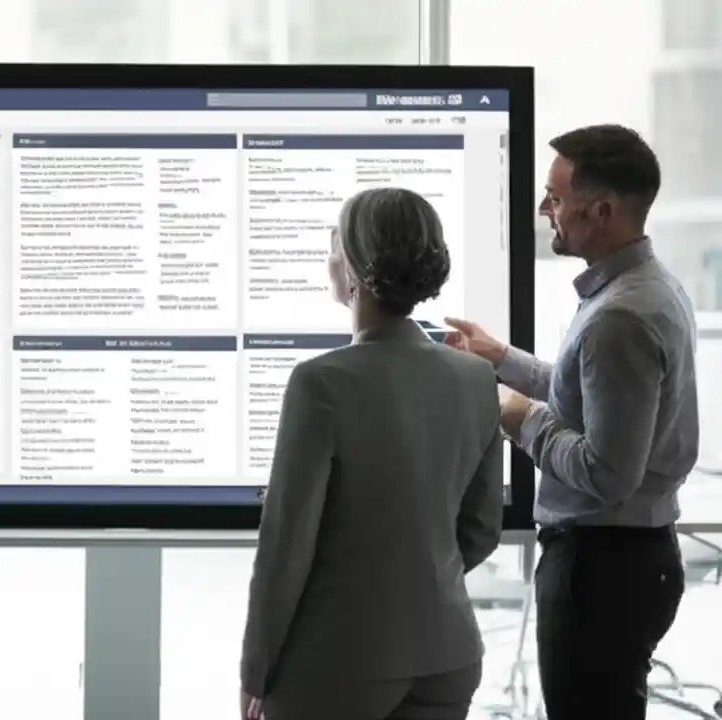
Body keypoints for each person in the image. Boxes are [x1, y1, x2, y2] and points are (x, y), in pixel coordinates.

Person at [445, 124, 697, 720]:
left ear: (601, 210)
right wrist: (503, 359)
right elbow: (589, 392)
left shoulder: (621, 318)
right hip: (625, 563)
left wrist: (519, 416)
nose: (543, 209)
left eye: (555, 197)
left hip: (601, 570)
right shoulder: (645, 290)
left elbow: (607, 472)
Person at [239, 187, 504, 720]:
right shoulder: (476, 376)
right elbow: (480, 529)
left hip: (338, 660)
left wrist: (255, 671)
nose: (328, 260)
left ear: (357, 271)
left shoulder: (320, 382)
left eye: (334, 247)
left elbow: (286, 548)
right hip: (447, 655)